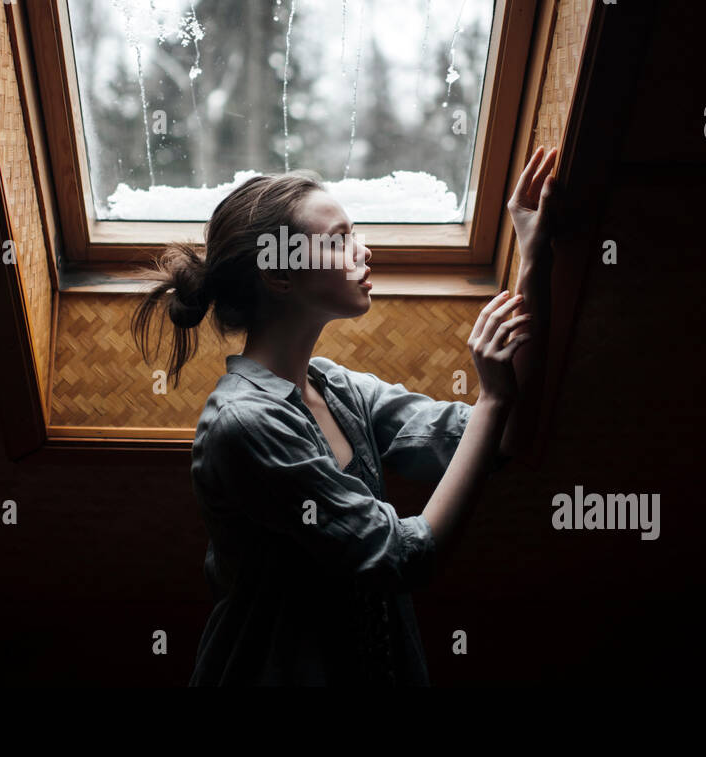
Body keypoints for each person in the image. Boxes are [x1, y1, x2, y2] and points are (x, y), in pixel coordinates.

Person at [130, 147, 560, 685]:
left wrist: (533, 255)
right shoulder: (245, 425)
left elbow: (501, 439)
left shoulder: (335, 386)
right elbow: (402, 559)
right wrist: (493, 398)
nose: (365, 251)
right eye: (339, 240)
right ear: (279, 276)